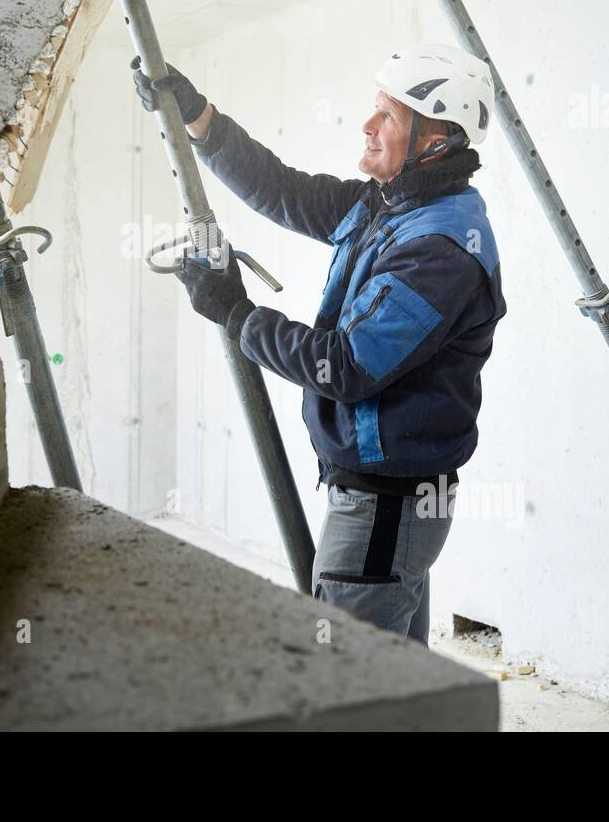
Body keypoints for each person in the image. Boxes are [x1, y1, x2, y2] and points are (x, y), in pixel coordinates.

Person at [131, 44, 507, 645]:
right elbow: (283, 190)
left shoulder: (438, 247)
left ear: (435, 140)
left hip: (387, 506)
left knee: (347, 684)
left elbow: (346, 366)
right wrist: (199, 117)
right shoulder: (394, 206)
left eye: (389, 115)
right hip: (392, 499)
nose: (367, 124)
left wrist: (237, 314)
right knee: (393, 683)